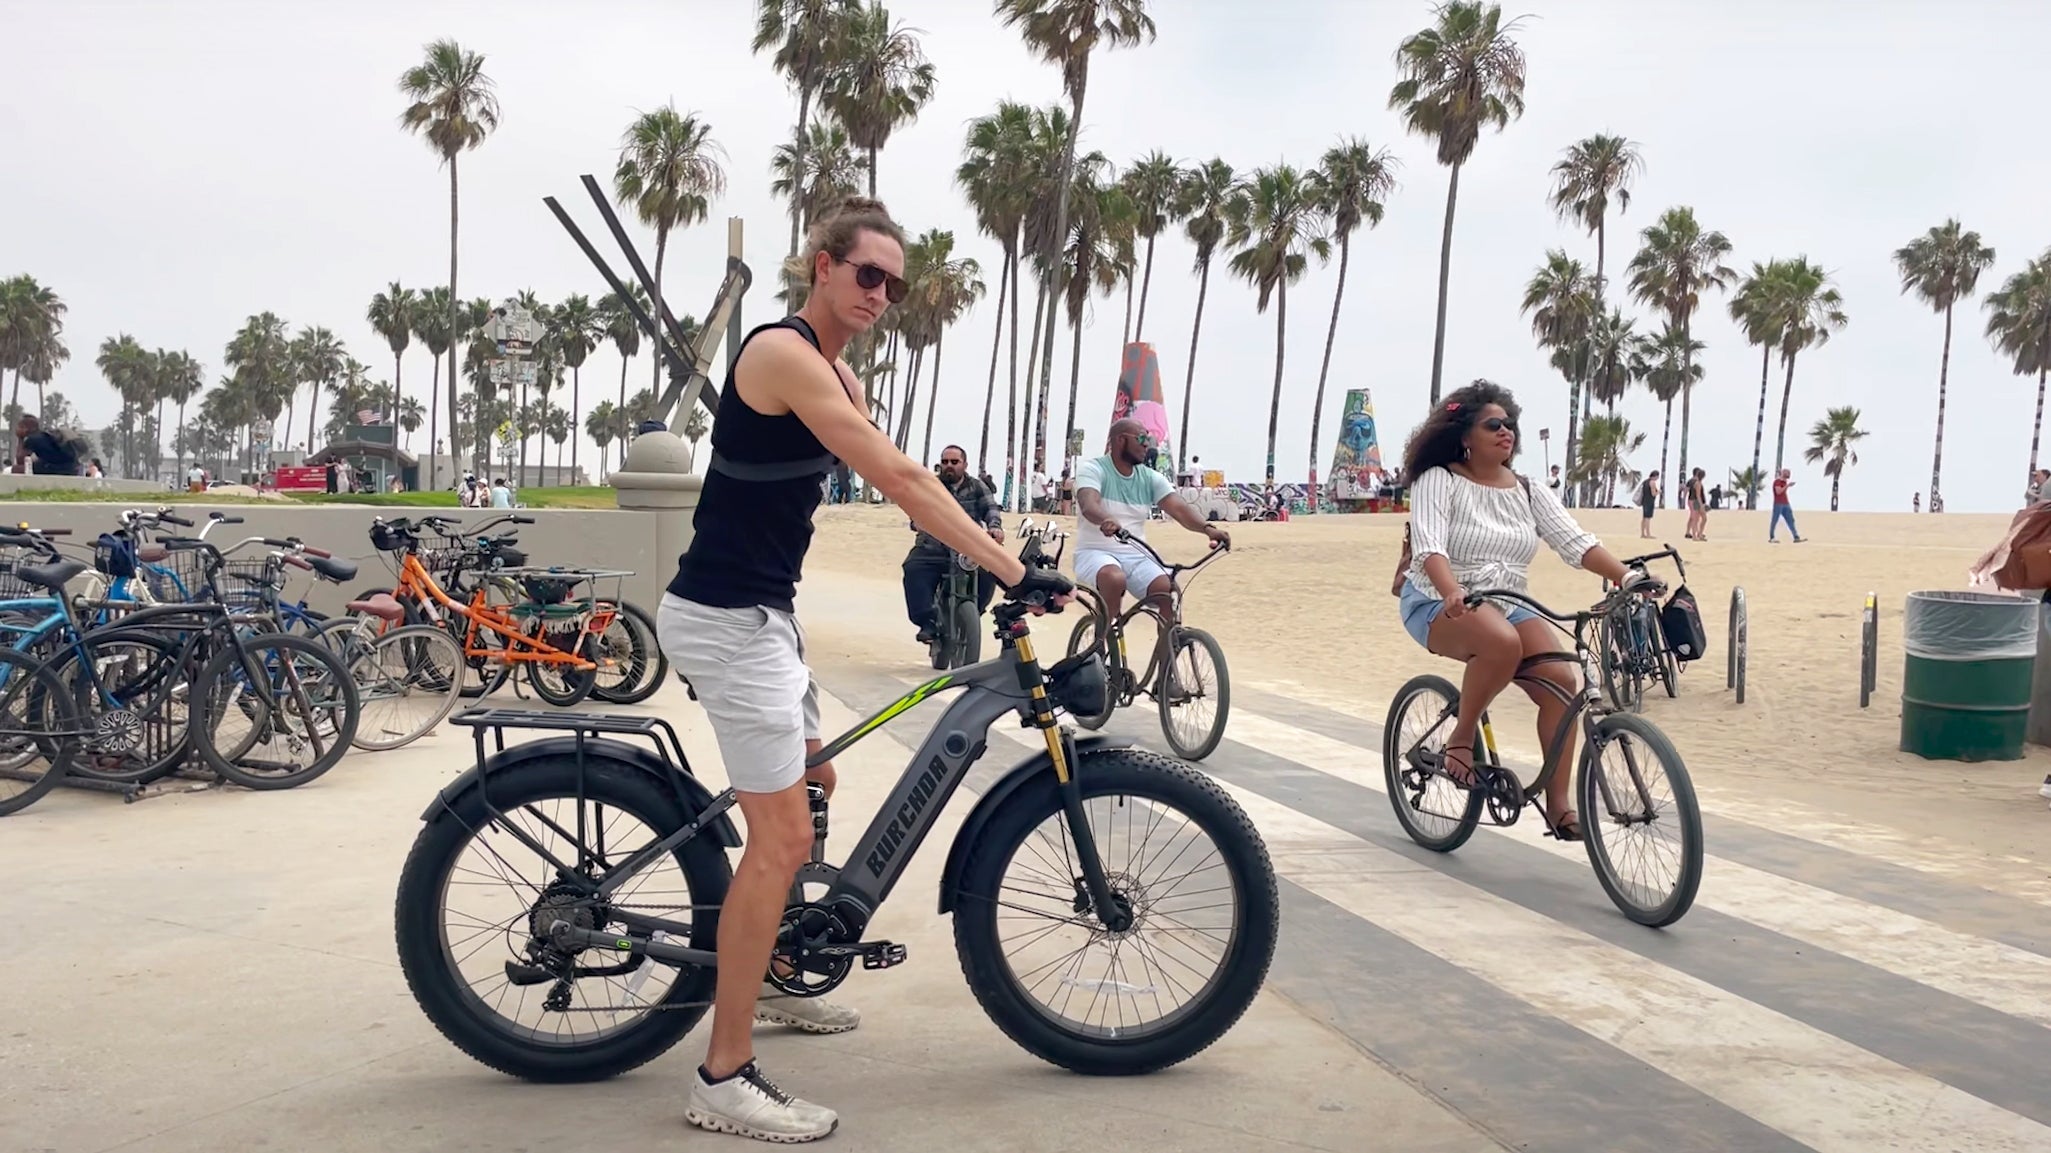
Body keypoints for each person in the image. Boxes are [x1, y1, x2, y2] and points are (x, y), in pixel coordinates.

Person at [654, 198, 1070, 1143]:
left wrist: (986, 547)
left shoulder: (837, 371)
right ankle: (722, 1076)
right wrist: (1008, 566)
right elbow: (901, 480)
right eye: (866, 273)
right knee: (781, 839)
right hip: (725, 620)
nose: (881, 292)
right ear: (821, 266)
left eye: (894, 281)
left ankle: (765, 974)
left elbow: (903, 481)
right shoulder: (780, 352)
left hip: (765, 616)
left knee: (819, 775)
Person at [1397, 380, 1655, 841]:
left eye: (1510, 424)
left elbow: (1576, 543)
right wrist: (1451, 589)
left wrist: (1627, 577)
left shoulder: (1530, 490)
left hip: (1508, 603)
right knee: (1501, 643)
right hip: (1438, 601)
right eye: (1492, 424)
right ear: (1465, 436)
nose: (1506, 431)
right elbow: (1429, 548)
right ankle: (1461, 738)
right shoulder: (1441, 479)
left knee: (1562, 682)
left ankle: (1559, 806)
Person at [1072, 418, 1228, 621]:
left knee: (1168, 591)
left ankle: (1166, 652)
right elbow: (1088, 505)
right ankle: (1101, 645)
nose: (1147, 444)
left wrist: (1208, 529)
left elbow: (1179, 509)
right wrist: (1106, 519)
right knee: (1113, 579)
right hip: (1095, 553)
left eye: (1149, 439)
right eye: (1142, 438)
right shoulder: (1094, 470)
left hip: (1136, 555)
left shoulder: (1150, 478)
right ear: (1120, 440)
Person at [902, 444, 1003, 643]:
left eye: (954, 462)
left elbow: (990, 508)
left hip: (967, 551)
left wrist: (995, 526)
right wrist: (917, 522)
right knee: (913, 568)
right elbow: (916, 507)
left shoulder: (977, 486)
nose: (949, 466)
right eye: (945, 462)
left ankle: (973, 613)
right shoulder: (930, 485)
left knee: (990, 571)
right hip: (932, 547)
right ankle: (927, 622)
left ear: (965, 465)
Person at [12, 414, 82, 476]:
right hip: (73, 468)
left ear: (25, 428)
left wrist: (20, 439)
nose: (17, 429)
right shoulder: (44, 436)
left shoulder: (32, 439)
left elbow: (20, 460)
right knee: (38, 463)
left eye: (19, 427)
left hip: (59, 469)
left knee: (16, 469)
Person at [1768, 468, 1804, 543]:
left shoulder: (1784, 482)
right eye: (1787, 473)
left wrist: (1787, 485)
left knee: (1790, 520)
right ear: (1783, 473)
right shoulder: (1777, 482)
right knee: (1775, 520)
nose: (1789, 474)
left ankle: (1796, 536)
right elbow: (1778, 492)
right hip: (1778, 504)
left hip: (1785, 503)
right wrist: (1787, 486)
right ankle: (1772, 537)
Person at [1684, 467, 1709, 540]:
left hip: (1693, 500)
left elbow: (1686, 490)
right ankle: (1697, 534)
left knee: (1695, 518)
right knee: (1697, 518)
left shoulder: (1693, 481)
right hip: (1696, 501)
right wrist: (1701, 505)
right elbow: (1698, 495)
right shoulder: (1697, 483)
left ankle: (1697, 533)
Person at [1638, 470, 1660, 538]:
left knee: (1644, 518)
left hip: (1644, 501)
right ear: (1655, 476)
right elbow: (1653, 494)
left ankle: (1642, 533)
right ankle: (1648, 534)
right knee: (1648, 518)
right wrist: (1658, 492)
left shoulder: (1645, 482)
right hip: (1649, 501)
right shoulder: (1652, 482)